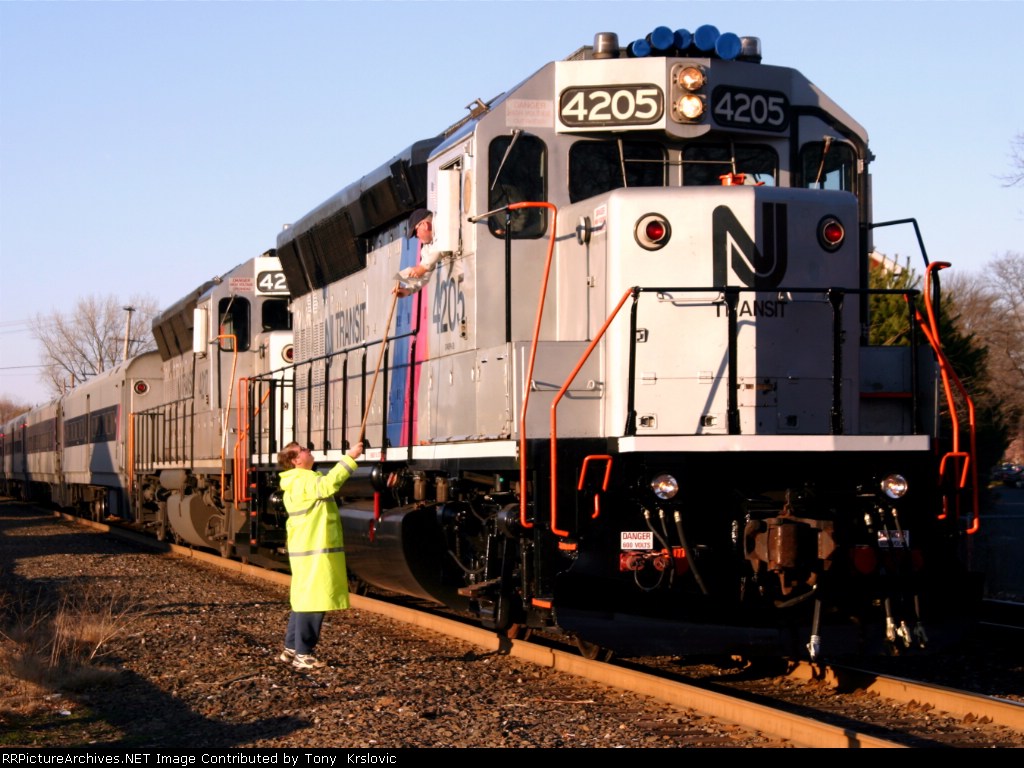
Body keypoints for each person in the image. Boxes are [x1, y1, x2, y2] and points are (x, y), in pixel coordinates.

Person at [276, 439, 363, 670]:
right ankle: (304, 654)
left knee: (303, 598)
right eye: (304, 450)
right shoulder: (304, 480)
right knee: (315, 599)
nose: (309, 451)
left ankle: (291, 648)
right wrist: (350, 457)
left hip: (305, 547)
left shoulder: (292, 482)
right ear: (296, 460)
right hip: (315, 548)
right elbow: (328, 485)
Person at [394, 208, 442, 297]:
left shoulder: (442, 222)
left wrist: (423, 267)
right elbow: (425, 274)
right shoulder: (427, 247)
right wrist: (408, 290)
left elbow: (441, 246)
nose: (416, 236)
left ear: (424, 225)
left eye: (416, 232)